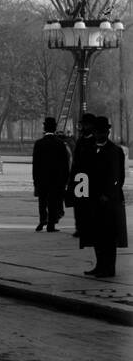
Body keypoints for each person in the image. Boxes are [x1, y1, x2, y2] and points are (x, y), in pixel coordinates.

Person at [76, 115, 126, 277]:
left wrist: (108, 194)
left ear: (108, 132)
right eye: (98, 132)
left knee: (109, 236)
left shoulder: (115, 151)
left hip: (108, 201)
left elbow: (119, 177)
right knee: (96, 234)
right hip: (92, 199)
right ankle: (99, 265)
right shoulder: (88, 150)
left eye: (103, 132)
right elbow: (82, 173)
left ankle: (109, 267)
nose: (100, 135)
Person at [32, 117, 69, 232]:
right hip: (56, 178)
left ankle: (43, 219)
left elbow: (35, 164)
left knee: (42, 200)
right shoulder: (60, 144)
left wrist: (35, 179)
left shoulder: (39, 144)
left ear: (44, 128)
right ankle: (51, 224)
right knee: (53, 201)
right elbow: (65, 164)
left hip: (42, 177)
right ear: (55, 128)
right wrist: (65, 179)